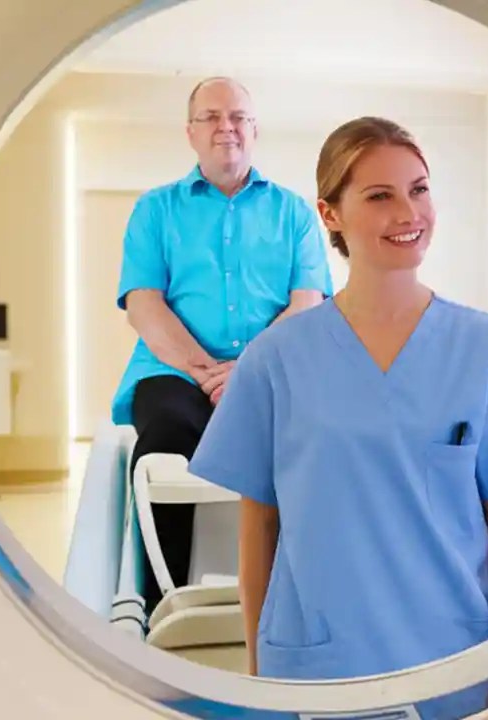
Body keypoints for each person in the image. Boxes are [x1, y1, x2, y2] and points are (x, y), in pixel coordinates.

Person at [187, 117, 488, 684]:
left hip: (456, 660)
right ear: (329, 214)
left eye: (418, 189)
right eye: (380, 196)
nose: (408, 214)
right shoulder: (275, 359)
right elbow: (259, 526)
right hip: (317, 661)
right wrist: (257, 672)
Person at [111, 77, 334, 602]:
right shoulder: (155, 210)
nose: (225, 127)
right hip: (173, 373)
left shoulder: (295, 213)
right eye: (210, 117)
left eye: (237, 116)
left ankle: (307, 595)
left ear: (254, 130)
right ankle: (161, 601)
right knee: (165, 434)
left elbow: (307, 304)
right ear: (190, 132)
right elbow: (144, 304)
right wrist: (208, 373)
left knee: (324, 435)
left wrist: (249, 373)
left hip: (272, 372)